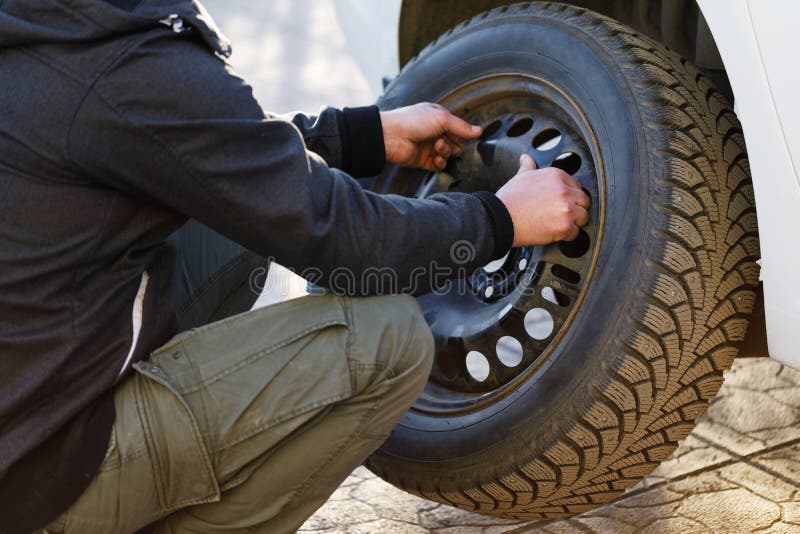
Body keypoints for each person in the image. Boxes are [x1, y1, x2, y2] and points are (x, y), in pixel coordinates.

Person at [0, 1, 590, 533]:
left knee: (238, 221)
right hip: (43, 476)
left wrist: (355, 135)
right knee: (388, 341)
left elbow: (185, 140)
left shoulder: (53, 25)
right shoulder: (129, 57)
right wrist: (500, 220)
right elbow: (350, 247)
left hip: (21, 400)